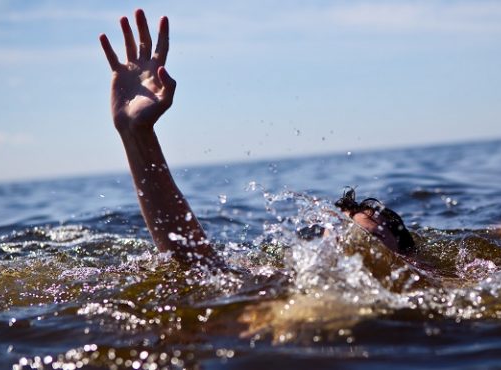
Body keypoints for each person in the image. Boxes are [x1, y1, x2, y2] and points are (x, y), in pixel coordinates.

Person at [99, 9, 414, 270]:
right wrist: (136, 134)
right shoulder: (281, 284)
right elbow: (197, 264)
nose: (346, 245)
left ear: (407, 262)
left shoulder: (417, 292)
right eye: (339, 235)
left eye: (367, 239)